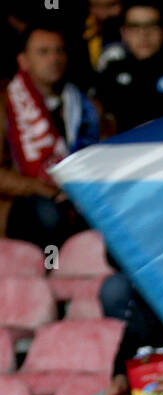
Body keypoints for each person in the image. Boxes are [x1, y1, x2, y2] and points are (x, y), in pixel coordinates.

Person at [0, 26, 100, 247]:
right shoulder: (5, 103)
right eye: (43, 52)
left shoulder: (87, 106)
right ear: (23, 61)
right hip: (26, 203)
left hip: (80, 197)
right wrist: (48, 190)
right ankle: (51, 273)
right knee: (50, 213)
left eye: (59, 51)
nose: (54, 59)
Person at [94, 4, 163, 134]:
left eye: (152, 26)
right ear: (124, 33)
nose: (144, 34)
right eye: (135, 27)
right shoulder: (110, 72)